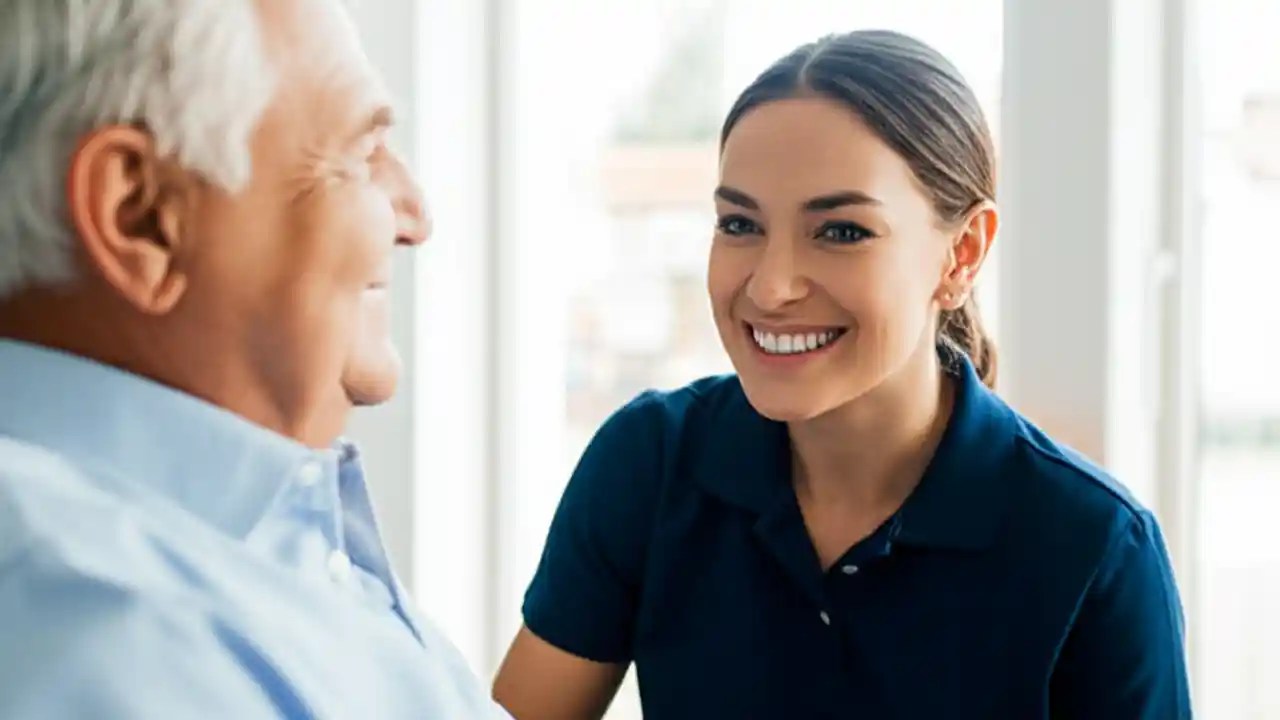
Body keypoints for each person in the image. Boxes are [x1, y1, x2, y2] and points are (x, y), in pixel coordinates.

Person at [493, 30, 1192, 719]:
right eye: (740, 224)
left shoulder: (1096, 548)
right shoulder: (649, 463)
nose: (771, 287)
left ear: (962, 255)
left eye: (842, 232)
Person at [0, 1, 507, 717]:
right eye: (361, 157)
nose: (415, 214)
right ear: (142, 216)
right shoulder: (108, 625)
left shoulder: (245, 543)